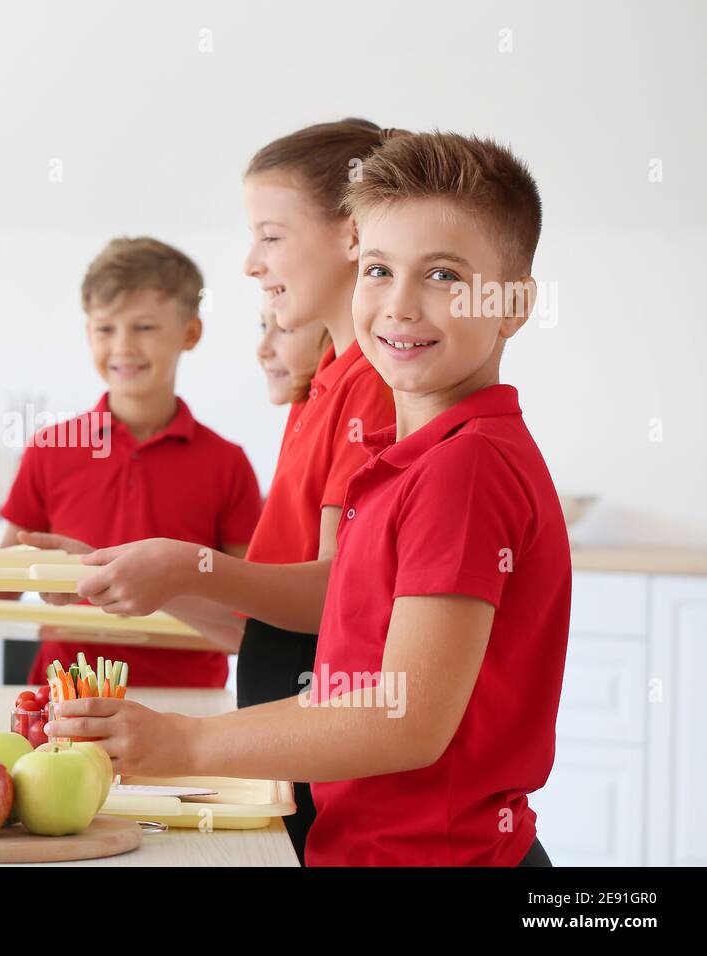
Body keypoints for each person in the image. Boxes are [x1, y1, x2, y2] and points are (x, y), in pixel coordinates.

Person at [48, 132, 569, 867]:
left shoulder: (467, 468)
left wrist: (186, 740)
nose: (400, 304)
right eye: (380, 269)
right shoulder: (411, 462)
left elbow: (407, 715)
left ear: (513, 305)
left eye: (444, 275)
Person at [0, 236, 263, 688]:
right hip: (61, 693)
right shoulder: (50, 449)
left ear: (190, 332)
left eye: (145, 327)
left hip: (187, 702)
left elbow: (247, 614)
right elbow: (7, 577)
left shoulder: (227, 465)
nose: (123, 347)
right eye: (106, 329)